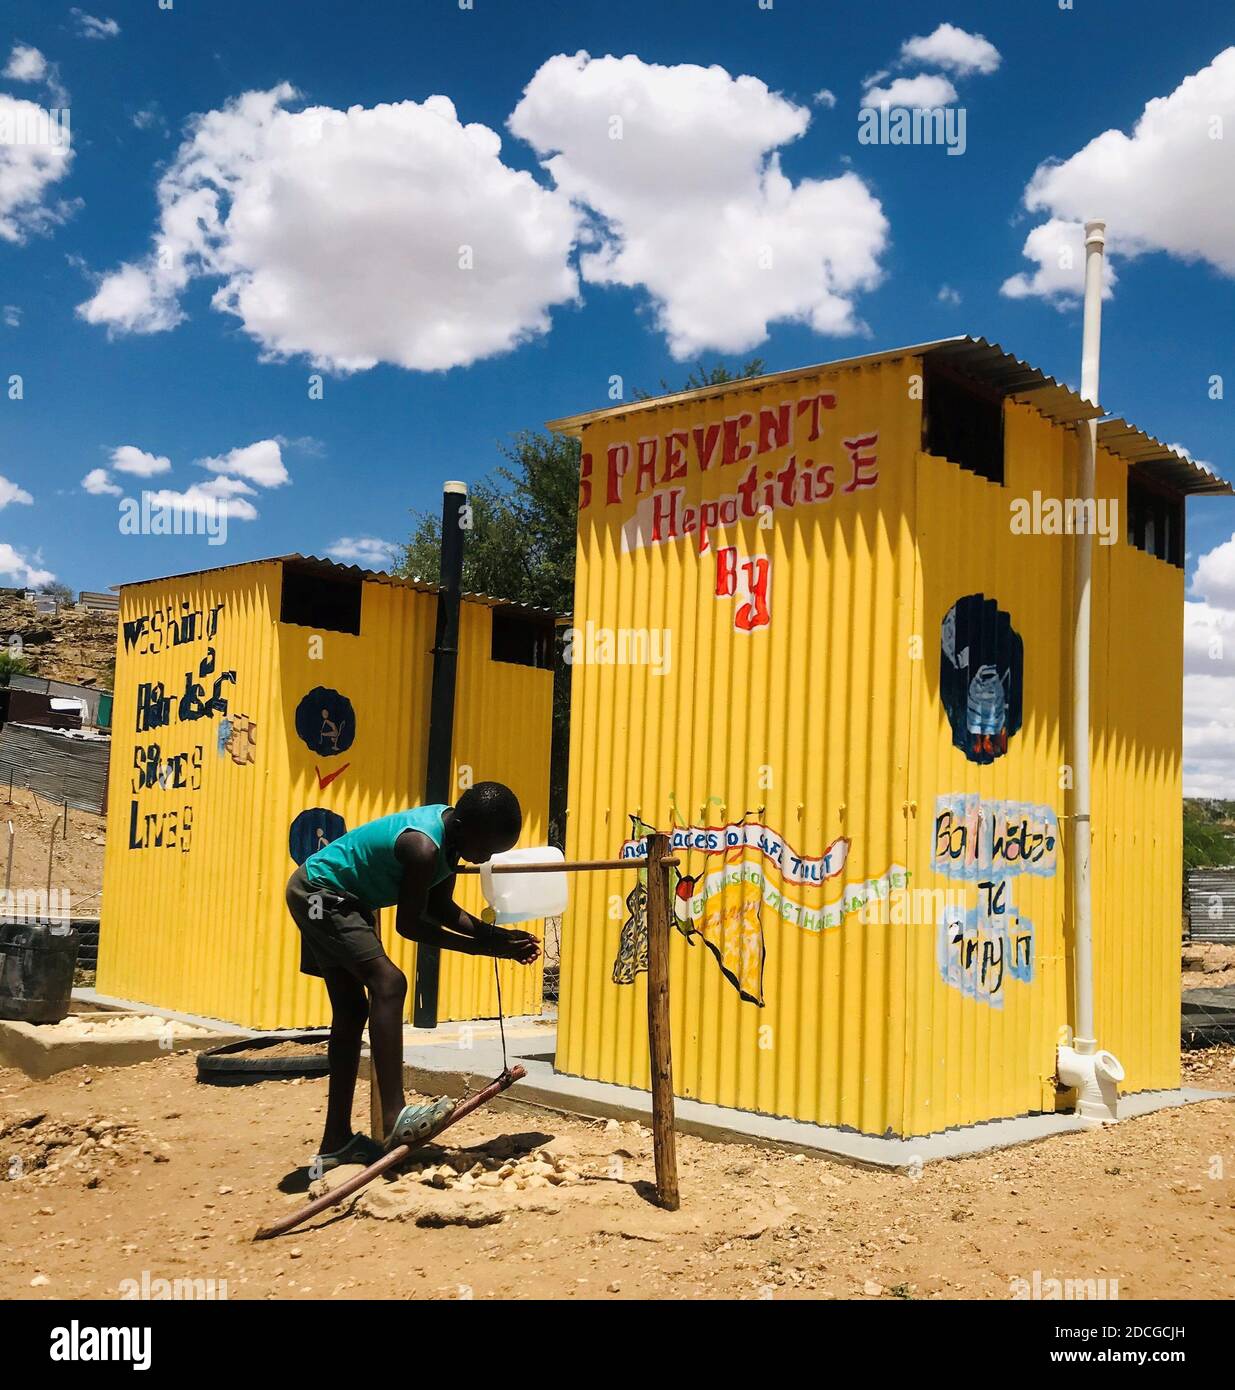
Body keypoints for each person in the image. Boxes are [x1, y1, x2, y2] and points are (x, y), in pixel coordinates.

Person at [284, 781, 540, 1170]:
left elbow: (440, 907)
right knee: (390, 983)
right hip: (321, 896)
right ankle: (394, 1118)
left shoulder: (451, 842)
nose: (483, 857)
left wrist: (498, 937)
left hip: (337, 897)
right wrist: (484, 947)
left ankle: (335, 1140)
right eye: (486, 848)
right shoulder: (423, 848)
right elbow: (411, 925)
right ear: (465, 827)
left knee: (352, 1011)